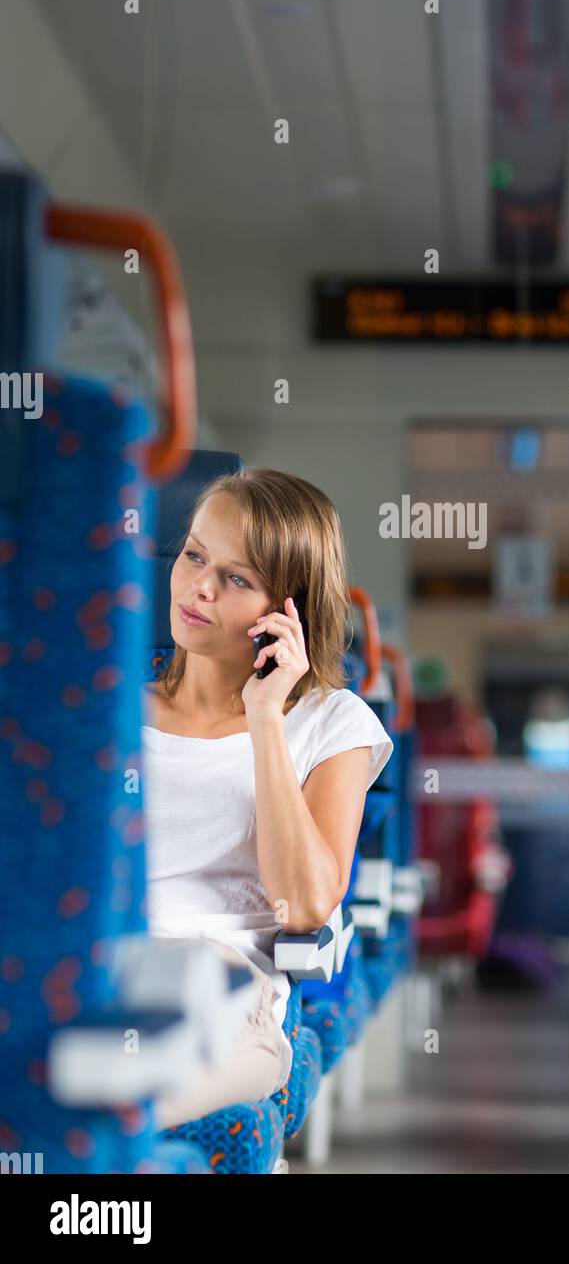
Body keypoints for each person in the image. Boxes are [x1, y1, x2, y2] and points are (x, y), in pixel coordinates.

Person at [141, 467, 393, 1129]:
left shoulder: (332, 723)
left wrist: (265, 718)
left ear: (289, 612)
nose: (199, 587)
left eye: (238, 579)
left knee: (115, 1099)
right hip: (94, 960)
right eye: (195, 555)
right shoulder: (102, 705)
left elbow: (305, 903)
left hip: (222, 984)